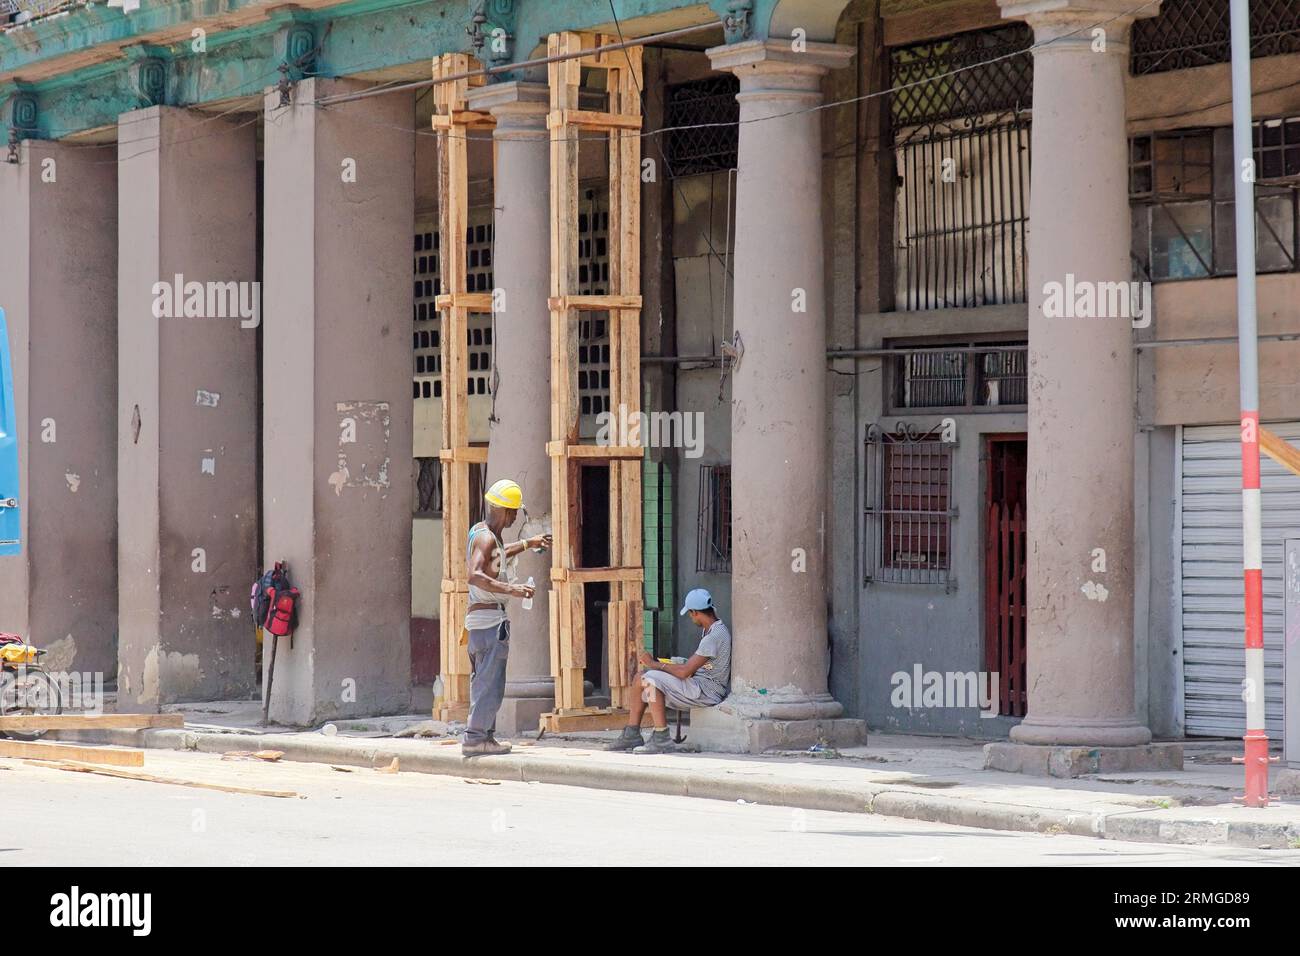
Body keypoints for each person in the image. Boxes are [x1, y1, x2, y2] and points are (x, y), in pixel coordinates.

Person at [462, 478, 551, 757]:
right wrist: (513, 589)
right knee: (490, 685)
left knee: (487, 683)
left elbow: (497, 556)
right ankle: (476, 739)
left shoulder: (486, 535)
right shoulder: (486, 537)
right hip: (488, 624)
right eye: (512, 512)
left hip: (482, 625)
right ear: (501, 510)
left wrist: (526, 543)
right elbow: (475, 574)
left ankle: (484, 736)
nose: (514, 518)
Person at [607, 587, 732, 753]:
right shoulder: (711, 630)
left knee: (649, 680)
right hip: (697, 684)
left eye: (690, 614)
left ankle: (661, 737)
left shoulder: (714, 637)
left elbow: (684, 672)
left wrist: (655, 664)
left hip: (705, 691)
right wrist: (667, 664)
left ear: (695, 612)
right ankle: (632, 733)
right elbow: (695, 665)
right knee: (640, 677)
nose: (690, 617)